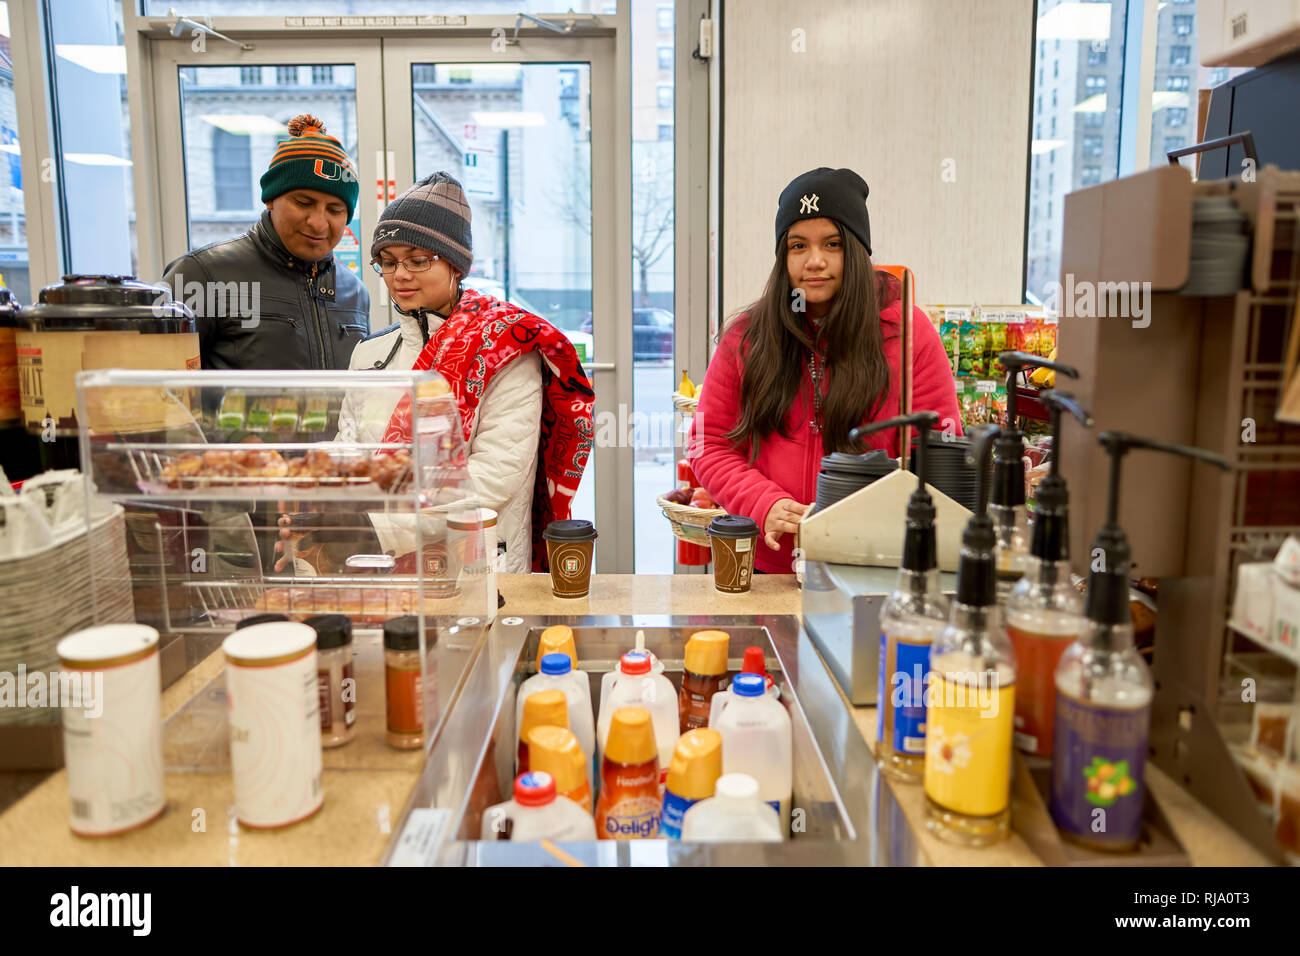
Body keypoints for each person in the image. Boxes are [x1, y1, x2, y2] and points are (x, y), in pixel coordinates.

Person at [688, 167, 961, 575]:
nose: (815, 262)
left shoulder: (907, 331)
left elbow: (939, 451)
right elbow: (709, 442)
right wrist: (764, 503)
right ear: (784, 256)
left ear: (855, 249)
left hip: (872, 564)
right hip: (766, 566)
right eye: (798, 246)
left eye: (831, 244)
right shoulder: (748, 336)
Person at [321, 171, 594, 573]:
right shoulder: (371, 353)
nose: (400, 275)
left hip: (474, 562)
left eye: (418, 260)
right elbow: (350, 447)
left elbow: (493, 478)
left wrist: (378, 527)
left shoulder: (505, 348)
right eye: (388, 262)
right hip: (377, 561)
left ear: (456, 265)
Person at [162, 114, 369, 371]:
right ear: (270, 199)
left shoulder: (355, 293)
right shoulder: (200, 275)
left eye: (335, 210)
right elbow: (157, 386)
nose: (318, 222)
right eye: (303, 202)